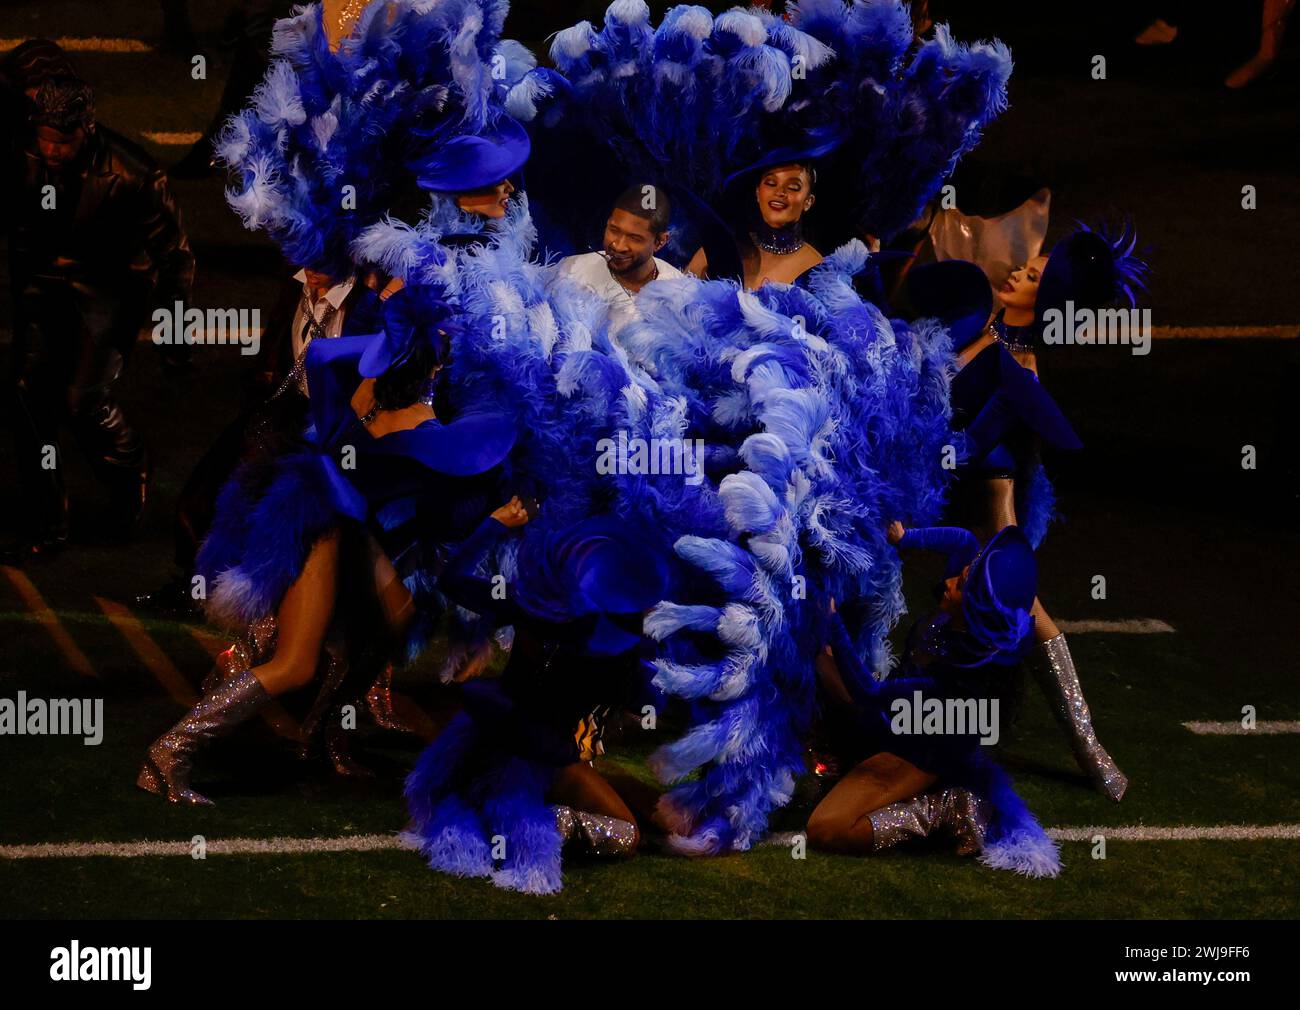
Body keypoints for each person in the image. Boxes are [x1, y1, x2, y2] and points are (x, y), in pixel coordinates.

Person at [909, 223, 1146, 802]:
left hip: (988, 499)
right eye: (1027, 264)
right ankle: (903, 726)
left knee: (1019, 609)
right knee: (933, 606)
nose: (1018, 270)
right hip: (948, 491)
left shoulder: (1022, 368)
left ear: (1046, 301)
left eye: (1034, 274)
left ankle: (1087, 744)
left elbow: (967, 445)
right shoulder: (982, 325)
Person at [404, 495, 670, 894]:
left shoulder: (533, 607)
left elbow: (453, 579)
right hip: (541, 759)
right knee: (625, 835)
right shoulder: (619, 651)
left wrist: (494, 524)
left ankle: (485, 796)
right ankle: (516, 818)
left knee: (657, 809)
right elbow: (650, 703)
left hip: (503, 740)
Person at [5, 76, 193, 559]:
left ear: (87, 129)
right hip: (42, 281)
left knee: (82, 400)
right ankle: (45, 522)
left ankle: (128, 472)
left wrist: (175, 336)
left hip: (111, 289)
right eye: (44, 137)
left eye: (62, 141)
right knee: (27, 394)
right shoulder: (20, 156)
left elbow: (175, 257)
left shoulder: (135, 174)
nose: (50, 149)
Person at [806, 523, 1060, 876]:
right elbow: (965, 539)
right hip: (895, 718)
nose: (950, 580)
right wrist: (906, 537)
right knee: (815, 653)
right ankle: (835, 748)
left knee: (827, 829)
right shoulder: (964, 616)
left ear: (972, 615)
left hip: (915, 753)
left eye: (961, 584)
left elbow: (870, 693)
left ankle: (944, 808)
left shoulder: (950, 680)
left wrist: (833, 621)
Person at [552, 184, 683, 335]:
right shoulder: (570, 272)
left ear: (660, 241)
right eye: (614, 230)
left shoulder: (682, 296)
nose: (618, 246)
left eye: (634, 238)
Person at [686, 160, 824, 290]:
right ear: (758, 193)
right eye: (771, 183)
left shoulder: (817, 271)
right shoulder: (720, 248)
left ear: (808, 202)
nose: (780, 192)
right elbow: (676, 303)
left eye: (793, 187)